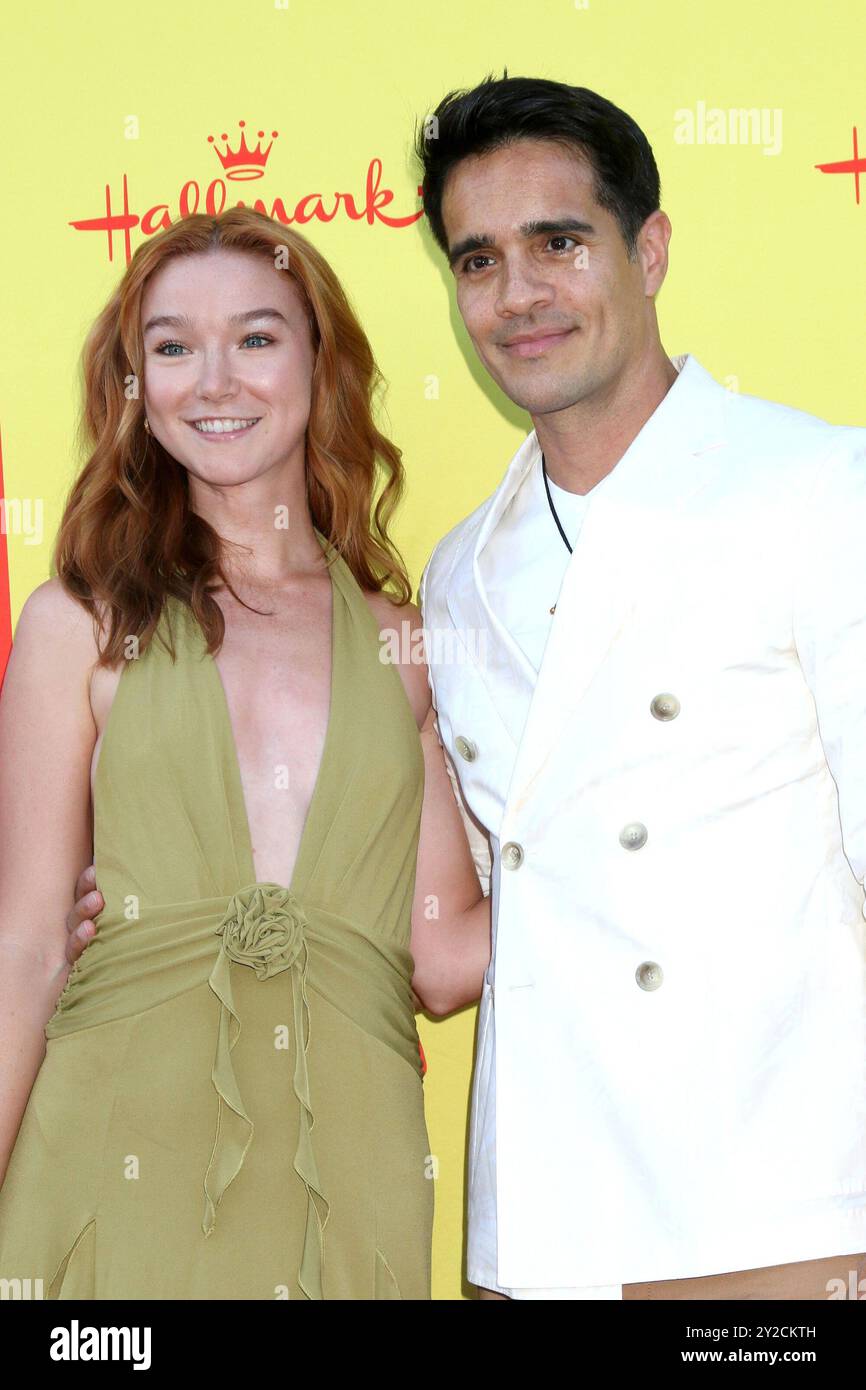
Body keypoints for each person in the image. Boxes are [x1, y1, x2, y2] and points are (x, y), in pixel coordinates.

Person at [412, 74, 866, 1299]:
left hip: (770, 1220)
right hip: (542, 1229)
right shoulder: (457, 576)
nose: (516, 297)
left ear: (647, 249)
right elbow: (452, 920)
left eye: (558, 243)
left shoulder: (817, 489)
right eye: (477, 260)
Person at [0, 207, 490, 1300]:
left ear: (324, 363)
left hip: (346, 1163)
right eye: (171, 347)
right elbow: (26, 947)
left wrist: (662, 838)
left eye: (256, 338)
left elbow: (445, 961)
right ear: (134, 386)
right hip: (110, 1140)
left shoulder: (404, 644)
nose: (212, 381)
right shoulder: (77, 624)